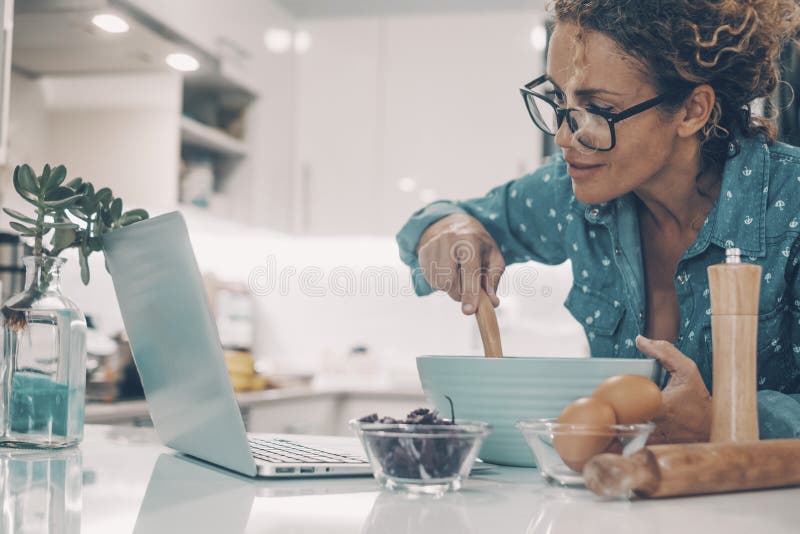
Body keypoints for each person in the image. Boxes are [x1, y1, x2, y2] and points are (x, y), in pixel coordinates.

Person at [396, 0, 800, 442]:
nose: (564, 137)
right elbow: (445, 221)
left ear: (692, 110)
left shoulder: (790, 205)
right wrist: (450, 229)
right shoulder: (574, 193)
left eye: (598, 109)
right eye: (559, 101)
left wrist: (722, 420)